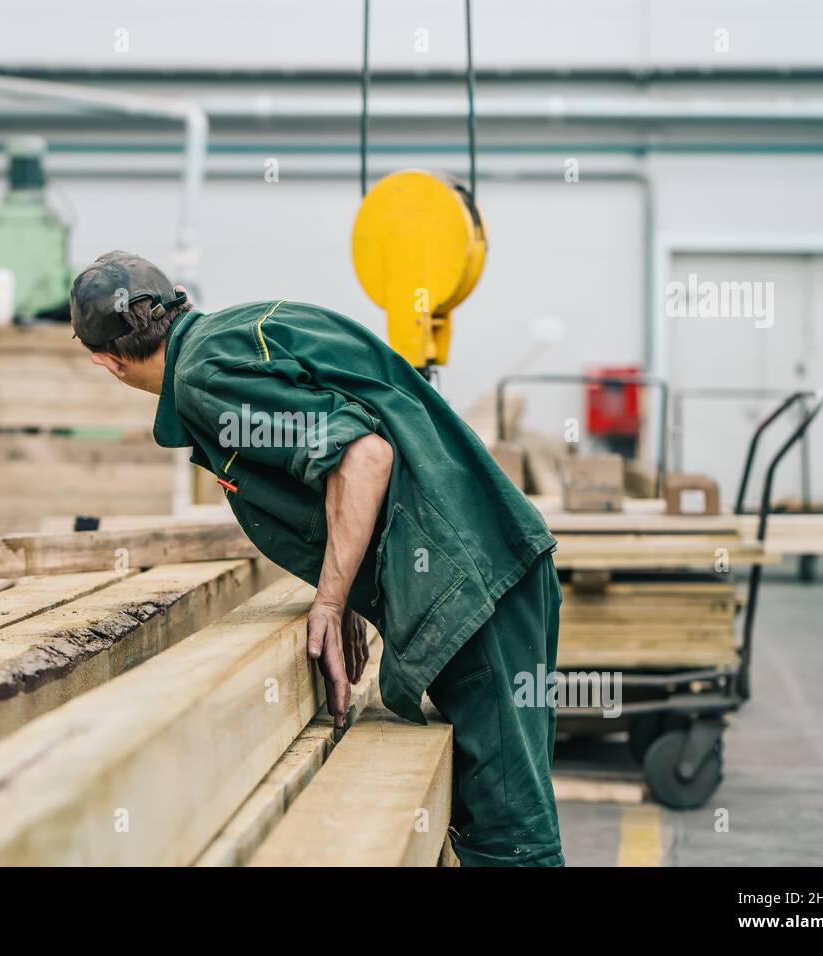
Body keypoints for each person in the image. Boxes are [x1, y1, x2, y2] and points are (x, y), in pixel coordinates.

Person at [70, 250, 563, 867]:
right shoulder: (239, 331)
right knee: (507, 809)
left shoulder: (203, 378)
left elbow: (362, 456)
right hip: (489, 569)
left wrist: (331, 600)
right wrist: (347, 576)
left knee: (507, 837)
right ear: (177, 301)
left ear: (105, 360)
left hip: (468, 588)